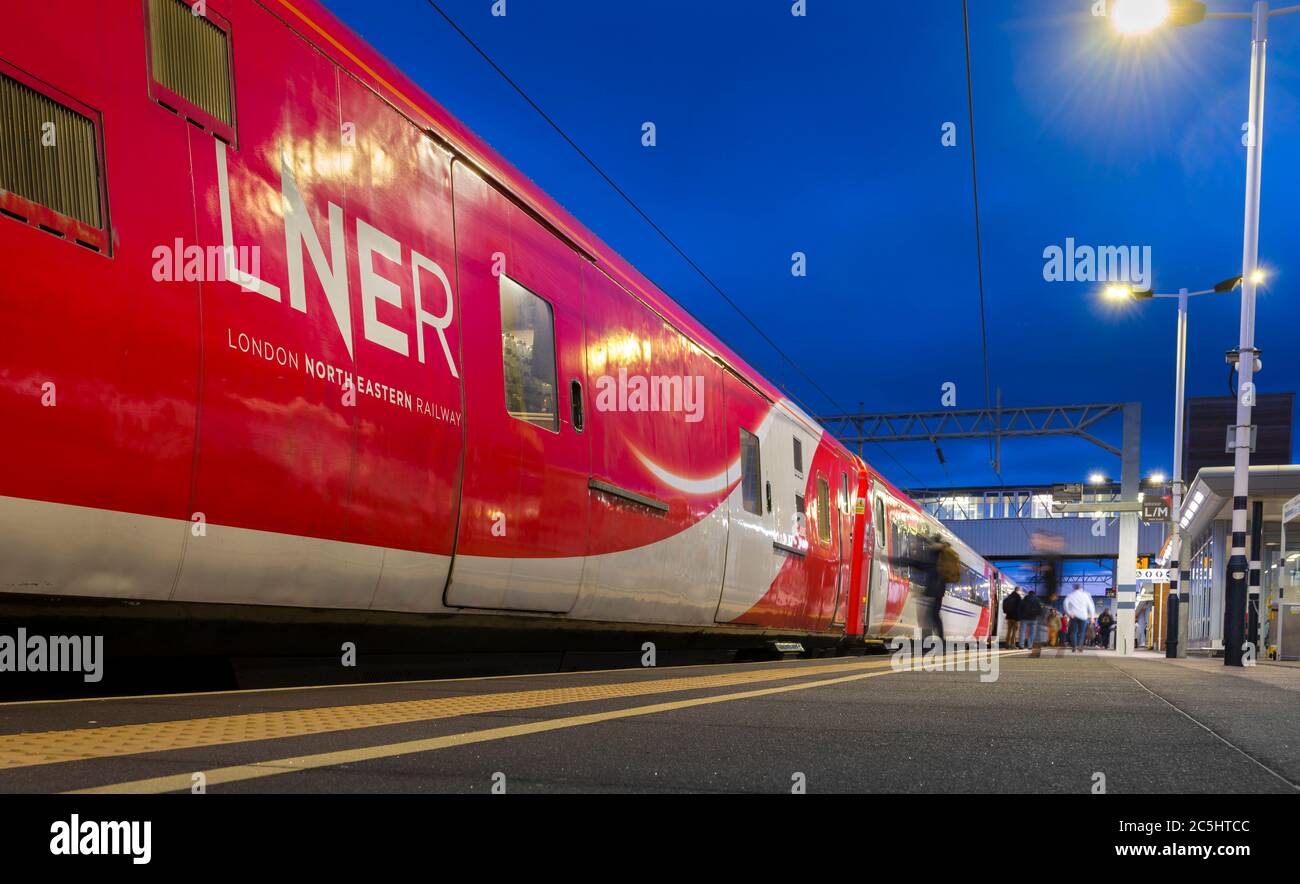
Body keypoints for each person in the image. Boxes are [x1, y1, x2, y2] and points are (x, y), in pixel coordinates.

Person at [1064, 583, 1097, 653]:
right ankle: (1080, 646)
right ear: (1080, 588)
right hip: (1083, 616)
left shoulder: (1070, 595)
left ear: (1074, 588)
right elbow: (1091, 606)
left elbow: (1065, 604)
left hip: (1074, 616)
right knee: (1082, 632)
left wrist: (1069, 613)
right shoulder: (1086, 595)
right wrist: (1092, 617)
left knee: (1073, 632)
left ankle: (1074, 646)